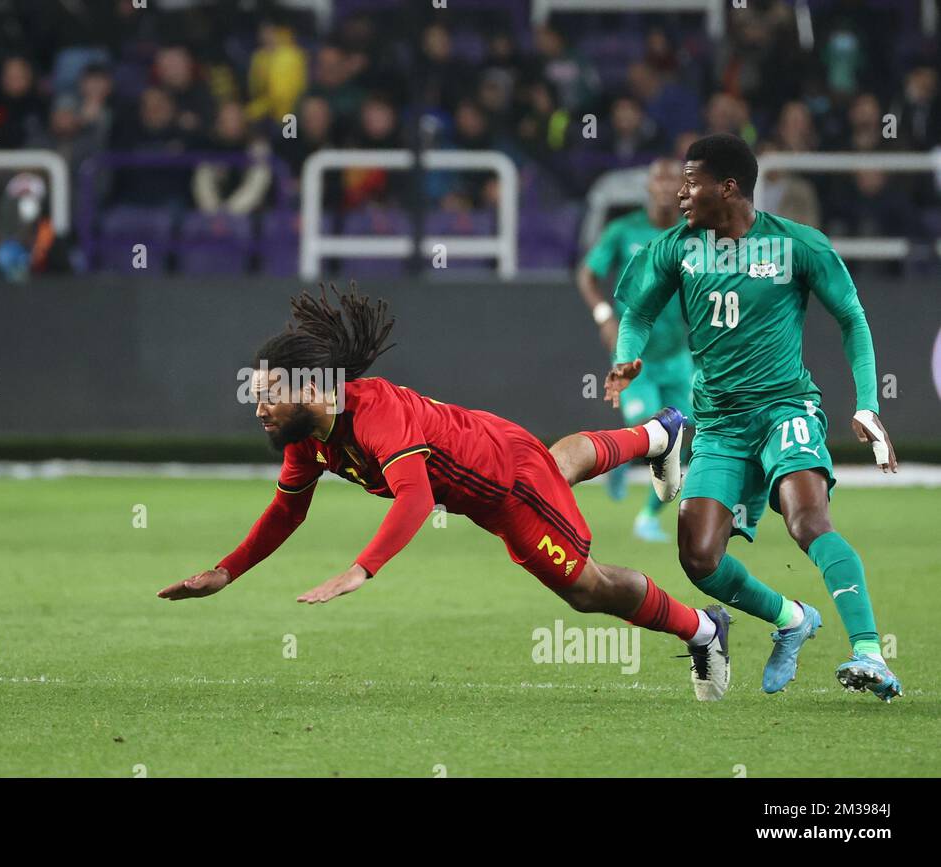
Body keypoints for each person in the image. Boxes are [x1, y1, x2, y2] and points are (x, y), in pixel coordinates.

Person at [159, 285, 733, 701]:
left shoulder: (373, 415)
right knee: (558, 462)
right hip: (492, 444)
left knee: (585, 588)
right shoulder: (305, 434)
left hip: (507, 491)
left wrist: (361, 569)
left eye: (267, 396)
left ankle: (705, 629)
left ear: (309, 388)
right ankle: (660, 433)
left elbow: (414, 500)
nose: (257, 409)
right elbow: (288, 509)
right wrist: (226, 571)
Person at [605, 134, 901, 701]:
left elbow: (853, 321)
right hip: (716, 421)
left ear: (729, 187)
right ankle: (792, 618)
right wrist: (626, 356)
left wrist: (867, 404)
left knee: (807, 522)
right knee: (698, 557)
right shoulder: (678, 247)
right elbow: (638, 311)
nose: (682, 193)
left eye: (692, 182)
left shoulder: (798, 246)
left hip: (785, 408)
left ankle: (869, 651)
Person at [576, 157, 690, 541]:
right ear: (648, 187)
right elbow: (588, 273)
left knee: (681, 437)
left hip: (678, 355)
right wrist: (604, 315)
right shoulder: (624, 231)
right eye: (657, 179)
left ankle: (647, 516)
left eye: (672, 181)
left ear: (682, 190)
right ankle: (620, 461)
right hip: (634, 355)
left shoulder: (694, 235)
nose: (663, 187)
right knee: (647, 430)